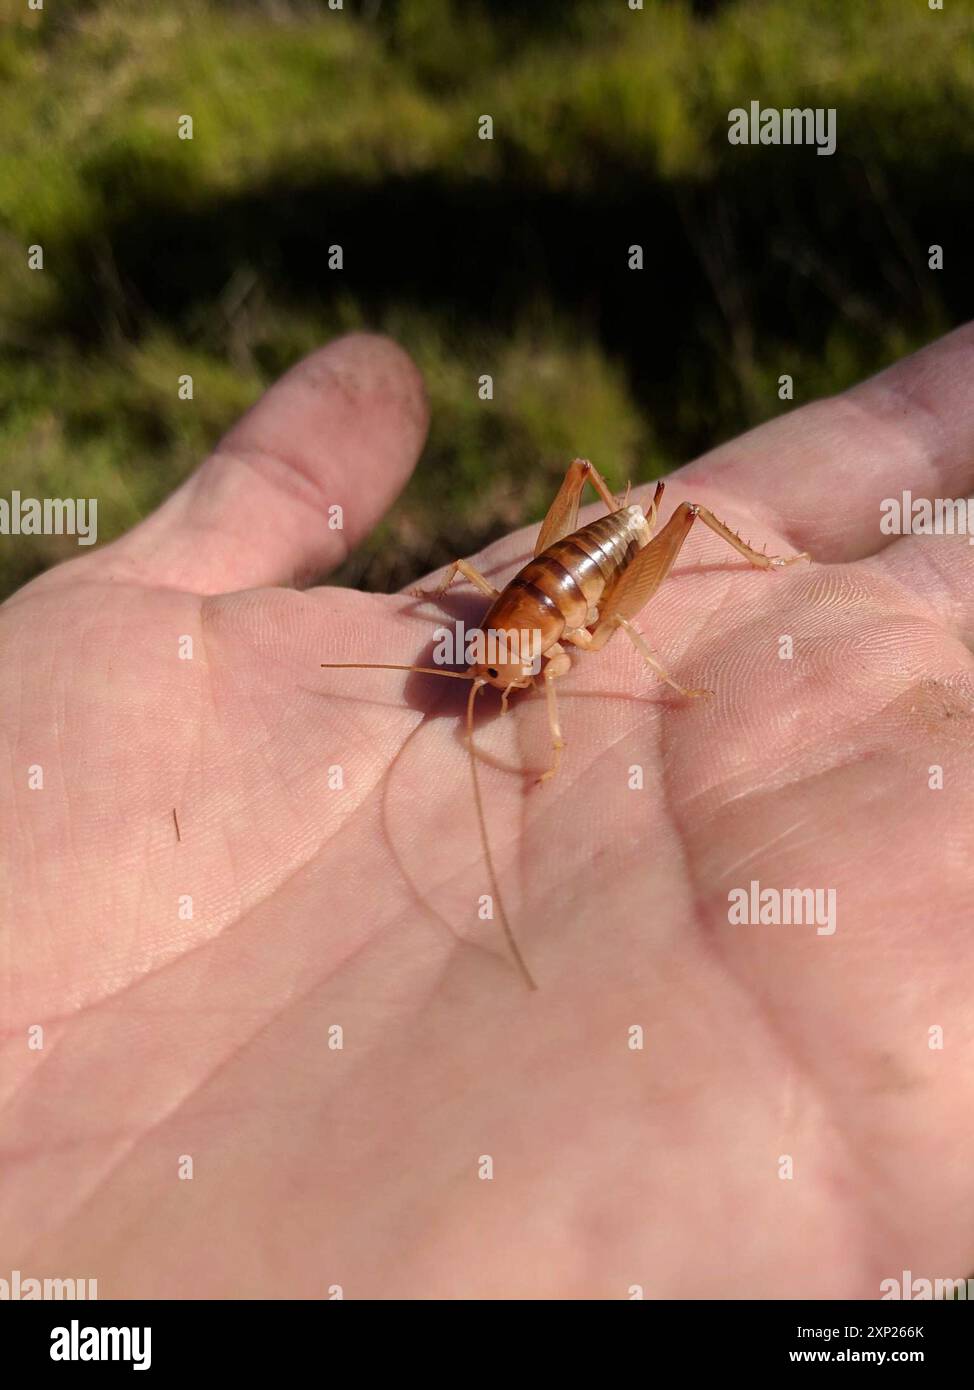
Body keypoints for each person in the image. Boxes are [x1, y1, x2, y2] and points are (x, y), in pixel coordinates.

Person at [4, 328, 973, 1298]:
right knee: (568, 563)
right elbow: (508, 647)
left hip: (591, 577)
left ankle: (745, 558)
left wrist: (623, 699)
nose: (484, 683)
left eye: (486, 672)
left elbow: (580, 647)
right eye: (481, 673)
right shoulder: (488, 649)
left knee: (642, 556)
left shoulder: (548, 652)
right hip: (540, 582)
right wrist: (493, 634)